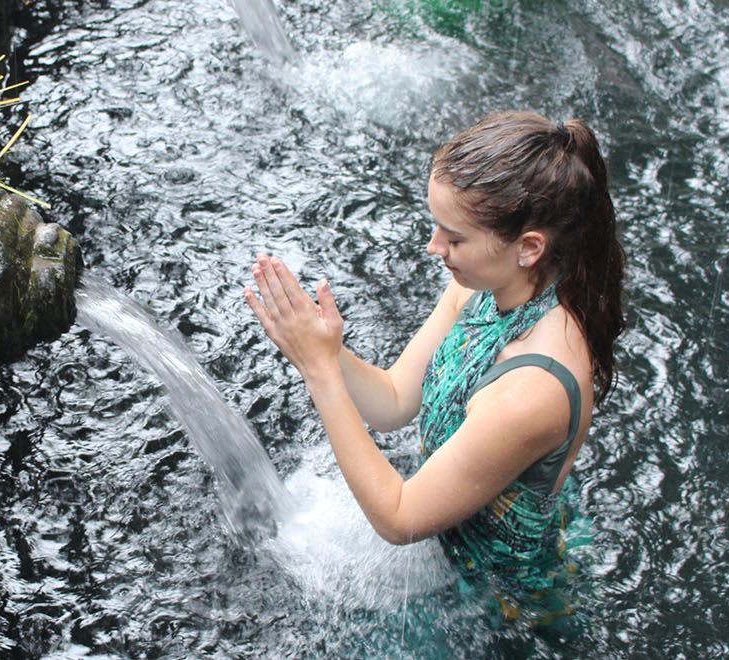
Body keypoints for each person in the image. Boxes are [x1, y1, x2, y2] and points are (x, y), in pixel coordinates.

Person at [243, 111, 625, 624]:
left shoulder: (532, 388)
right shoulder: (482, 289)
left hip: (509, 601)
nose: (433, 247)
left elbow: (400, 518)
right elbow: (395, 401)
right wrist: (324, 347)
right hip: (459, 546)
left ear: (529, 248)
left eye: (455, 237)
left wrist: (321, 374)